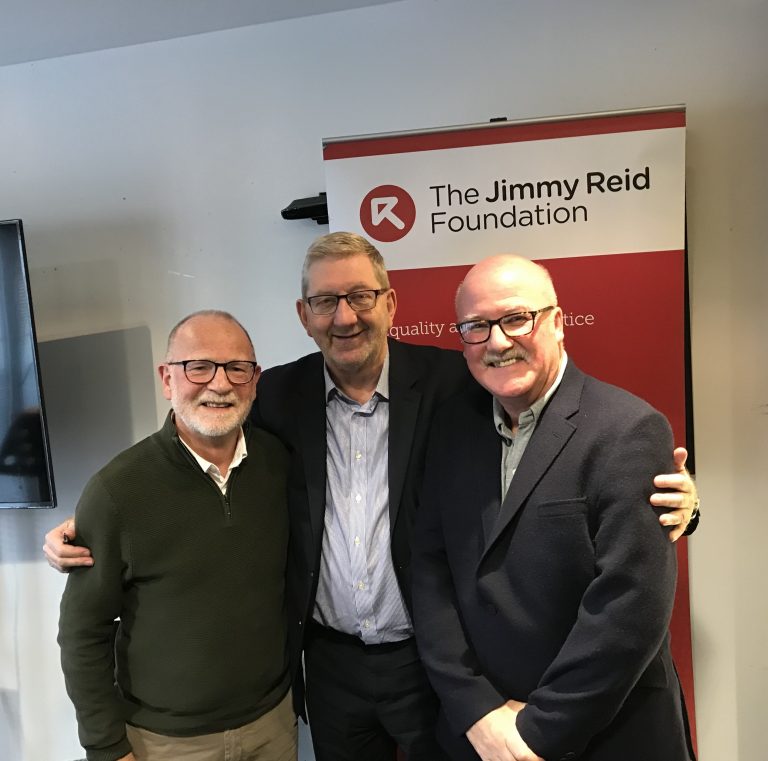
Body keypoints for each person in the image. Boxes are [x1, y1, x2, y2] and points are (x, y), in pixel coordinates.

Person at [46, 234, 698, 761]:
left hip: (430, 655)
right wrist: (103, 515)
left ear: (390, 302)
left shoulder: (455, 379)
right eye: (325, 301)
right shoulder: (277, 395)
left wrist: (682, 504)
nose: (344, 316)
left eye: (360, 296)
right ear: (303, 316)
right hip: (329, 663)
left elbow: (558, 437)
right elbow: (204, 417)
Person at [411, 255, 696, 761]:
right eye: (477, 326)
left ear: (559, 323)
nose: (497, 342)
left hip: (604, 735)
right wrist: (476, 712)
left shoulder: (628, 429)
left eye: (517, 318)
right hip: (483, 735)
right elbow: (431, 572)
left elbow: (629, 607)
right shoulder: (452, 428)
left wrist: (535, 733)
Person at [57, 311, 296, 761]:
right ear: (167, 379)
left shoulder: (279, 465)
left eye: (236, 367)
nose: (220, 384)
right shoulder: (116, 491)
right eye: (198, 366)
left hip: (274, 725)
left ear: (255, 378)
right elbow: (82, 633)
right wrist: (106, 746)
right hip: (166, 743)